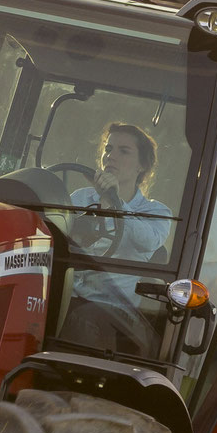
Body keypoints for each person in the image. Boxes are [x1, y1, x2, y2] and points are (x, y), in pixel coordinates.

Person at [61, 122, 173, 354]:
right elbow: (58, 234)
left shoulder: (157, 212)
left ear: (142, 165)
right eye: (108, 149)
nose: (111, 156)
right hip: (66, 293)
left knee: (79, 318)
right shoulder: (80, 197)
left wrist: (115, 203)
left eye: (124, 151)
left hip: (115, 310)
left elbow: (149, 241)